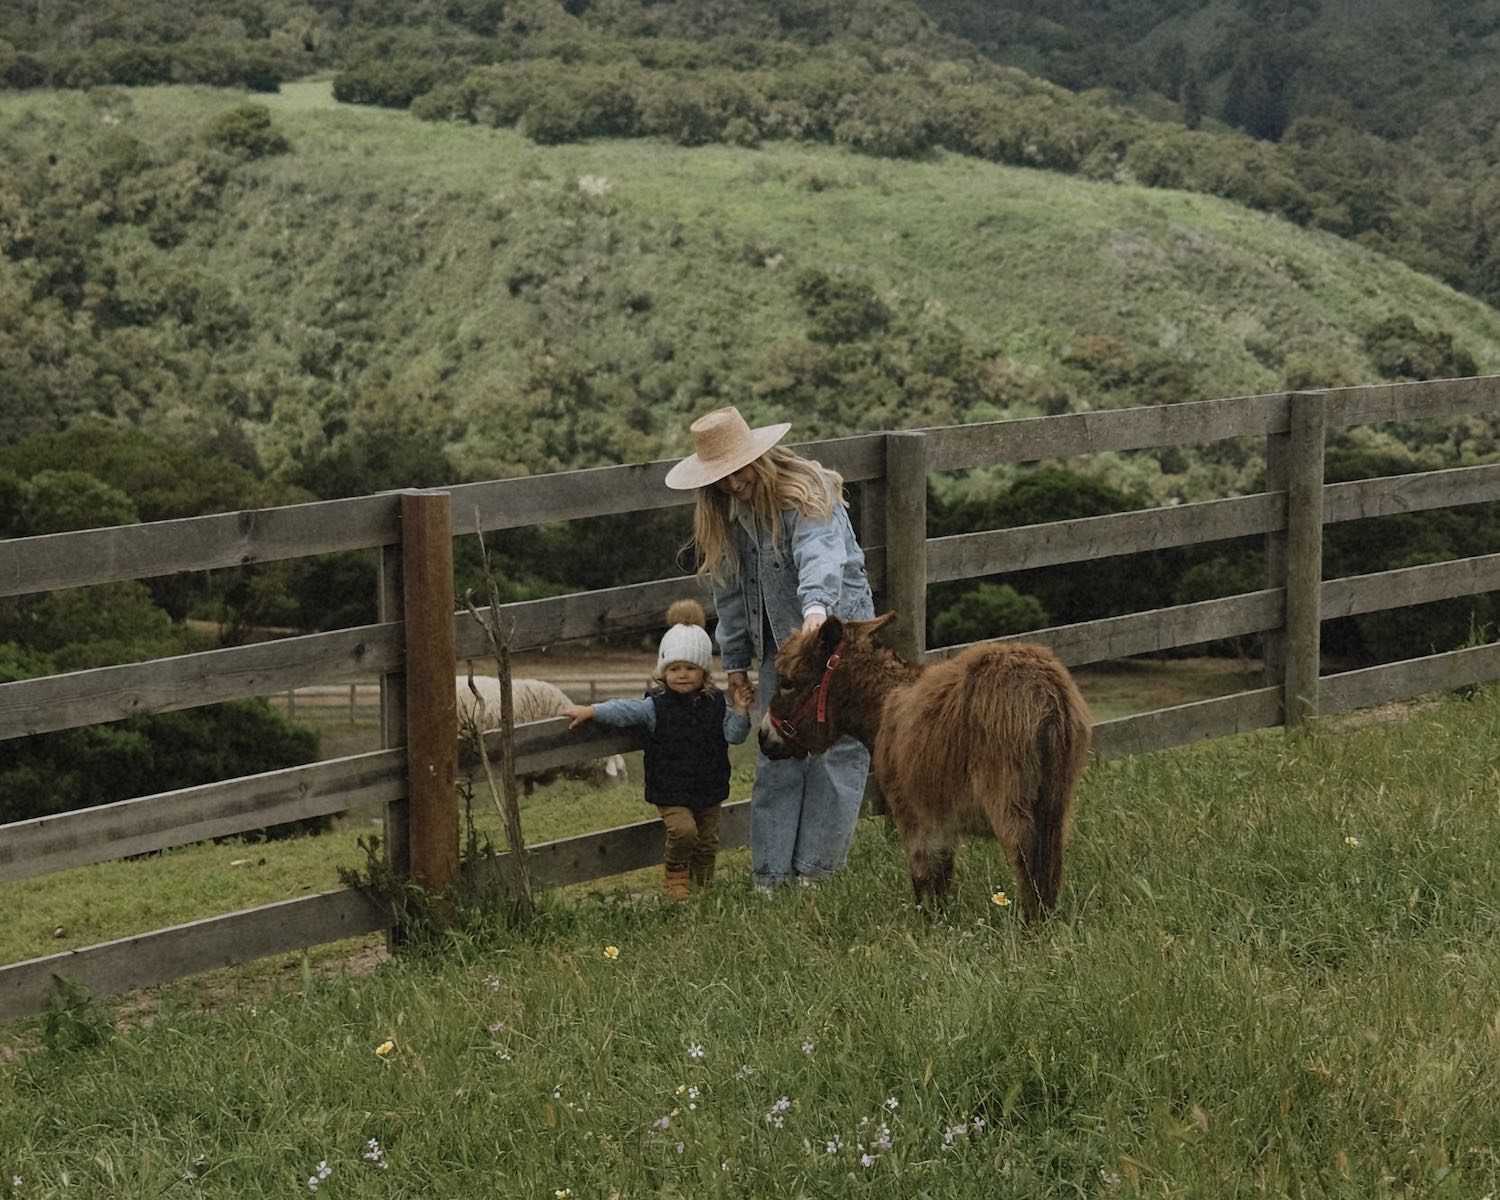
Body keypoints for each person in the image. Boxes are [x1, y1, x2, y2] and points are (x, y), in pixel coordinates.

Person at [664, 405, 876, 892]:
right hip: (779, 645)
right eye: (722, 478)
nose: (734, 484)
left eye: (739, 471)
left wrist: (817, 612)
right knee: (777, 750)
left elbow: (819, 554)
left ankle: (817, 874)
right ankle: (771, 878)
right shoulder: (725, 516)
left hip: (831, 640)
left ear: (758, 457)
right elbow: (731, 593)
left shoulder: (807, 491)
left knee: (836, 748)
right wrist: (735, 662)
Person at [564, 599, 753, 900]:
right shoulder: (656, 705)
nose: (681, 674)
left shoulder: (716, 703)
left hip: (709, 786)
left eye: (690, 667)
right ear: (663, 671)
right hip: (671, 788)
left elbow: (735, 735)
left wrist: (741, 710)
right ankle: (676, 873)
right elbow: (625, 710)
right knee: (684, 831)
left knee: (707, 841)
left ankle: (703, 888)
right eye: (674, 667)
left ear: (704, 671)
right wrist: (593, 710)